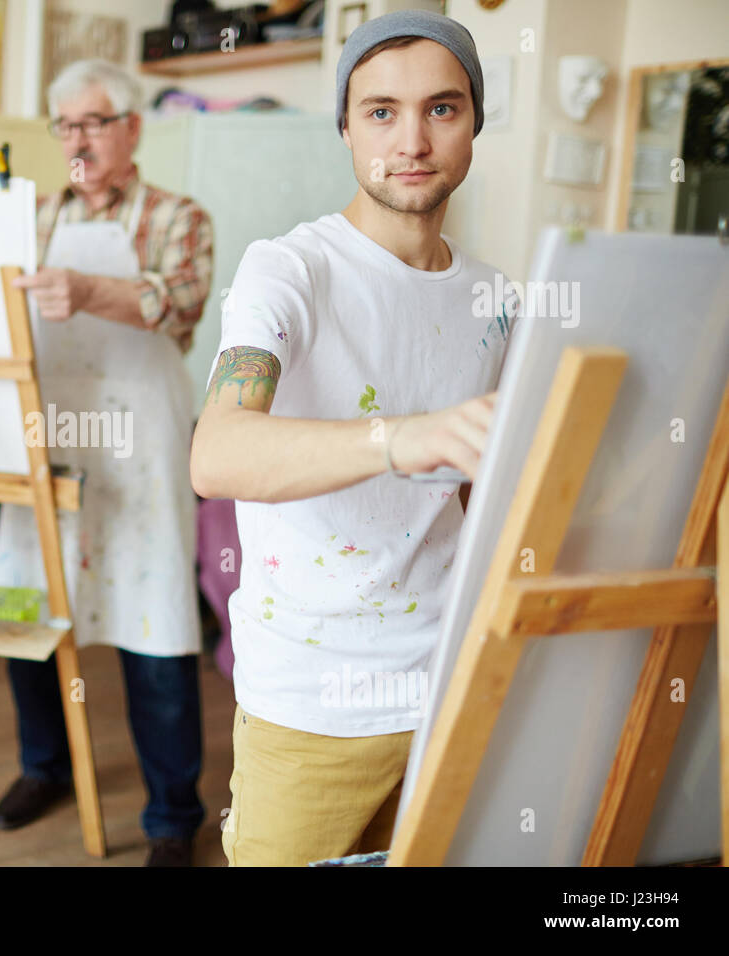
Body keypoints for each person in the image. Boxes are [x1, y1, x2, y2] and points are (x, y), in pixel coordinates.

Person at [190, 10, 521, 865]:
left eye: (442, 109)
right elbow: (218, 453)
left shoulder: (501, 300)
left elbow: (491, 498)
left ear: (475, 122)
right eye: (380, 112)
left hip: (448, 693)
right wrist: (402, 437)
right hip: (310, 706)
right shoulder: (289, 270)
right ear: (344, 126)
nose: (411, 138)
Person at [0, 59, 214, 867]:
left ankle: (172, 818)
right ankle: (44, 766)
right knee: (28, 611)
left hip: (140, 437)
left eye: (94, 122)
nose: (78, 139)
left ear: (133, 129)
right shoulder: (29, 217)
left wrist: (85, 289)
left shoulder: (179, 216)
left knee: (154, 628)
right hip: (48, 434)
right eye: (65, 125)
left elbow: (178, 303)